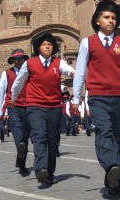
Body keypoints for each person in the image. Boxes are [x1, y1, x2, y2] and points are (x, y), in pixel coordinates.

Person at [72, 0, 120, 198]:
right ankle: (111, 166)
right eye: (106, 17)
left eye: (114, 18)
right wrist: (76, 99)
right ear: (97, 20)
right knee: (104, 132)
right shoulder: (88, 42)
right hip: (98, 96)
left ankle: (115, 182)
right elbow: (80, 72)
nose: (110, 21)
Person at [11, 32, 76, 185]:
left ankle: (50, 172)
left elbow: (67, 69)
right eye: (44, 44)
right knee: (40, 137)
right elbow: (19, 82)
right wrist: (13, 98)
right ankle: (40, 169)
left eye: (50, 44)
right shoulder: (30, 63)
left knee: (53, 141)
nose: (47, 46)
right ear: (38, 48)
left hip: (54, 106)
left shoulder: (58, 63)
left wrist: (73, 73)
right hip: (35, 106)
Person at [0, 48, 32, 175]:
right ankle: (20, 145)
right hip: (13, 106)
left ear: (24, 60)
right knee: (17, 129)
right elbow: (1, 91)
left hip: (28, 106)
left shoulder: (30, 73)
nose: (19, 61)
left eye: (21, 59)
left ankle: (21, 163)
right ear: (12, 61)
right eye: (16, 59)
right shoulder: (6, 73)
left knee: (26, 135)